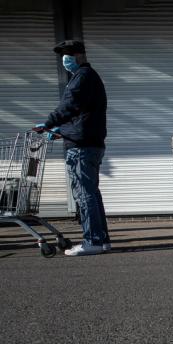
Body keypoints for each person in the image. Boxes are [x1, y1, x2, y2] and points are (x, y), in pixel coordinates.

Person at [33, 40, 110, 256]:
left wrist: (49, 122)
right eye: (62, 56)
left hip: (82, 145)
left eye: (68, 55)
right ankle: (102, 240)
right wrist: (60, 129)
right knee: (92, 193)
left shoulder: (82, 77)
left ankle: (92, 241)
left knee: (84, 194)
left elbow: (70, 105)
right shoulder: (88, 77)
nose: (64, 60)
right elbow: (81, 113)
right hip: (89, 141)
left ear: (79, 55)